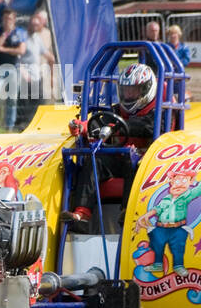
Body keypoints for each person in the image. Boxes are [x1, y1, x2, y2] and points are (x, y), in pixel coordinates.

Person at [61, 64, 160, 232]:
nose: (129, 95)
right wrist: (83, 127)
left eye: (134, 91)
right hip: (118, 161)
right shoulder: (117, 111)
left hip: (147, 166)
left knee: (131, 157)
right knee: (95, 160)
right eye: (126, 90)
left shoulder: (159, 113)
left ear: (146, 90)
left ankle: (127, 212)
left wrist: (117, 127)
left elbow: (147, 127)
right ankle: (81, 215)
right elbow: (100, 122)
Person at [0, 8, 27, 132]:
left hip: (14, 68)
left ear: (14, 19)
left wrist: (4, 49)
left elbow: (21, 50)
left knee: (12, 99)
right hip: (0, 68)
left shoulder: (20, 32)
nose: (7, 21)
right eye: (5, 18)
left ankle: (9, 126)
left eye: (9, 18)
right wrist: (4, 36)